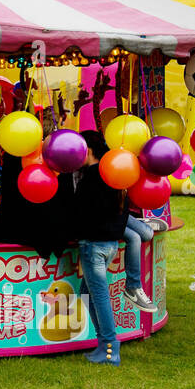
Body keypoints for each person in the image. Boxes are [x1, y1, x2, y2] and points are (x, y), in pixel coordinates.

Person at [70, 130, 129, 365]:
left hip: (94, 245)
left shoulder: (92, 178)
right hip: (108, 243)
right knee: (87, 292)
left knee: (99, 295)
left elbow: (81, 211)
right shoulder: (112, 175)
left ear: (88, 150)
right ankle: (102, 344)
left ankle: (110, 348)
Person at [121, 210, 159, 313]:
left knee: (147, 233)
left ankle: (141, 222)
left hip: (116, 211)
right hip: (102, 217)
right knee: (134, 238)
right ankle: (133, 287)